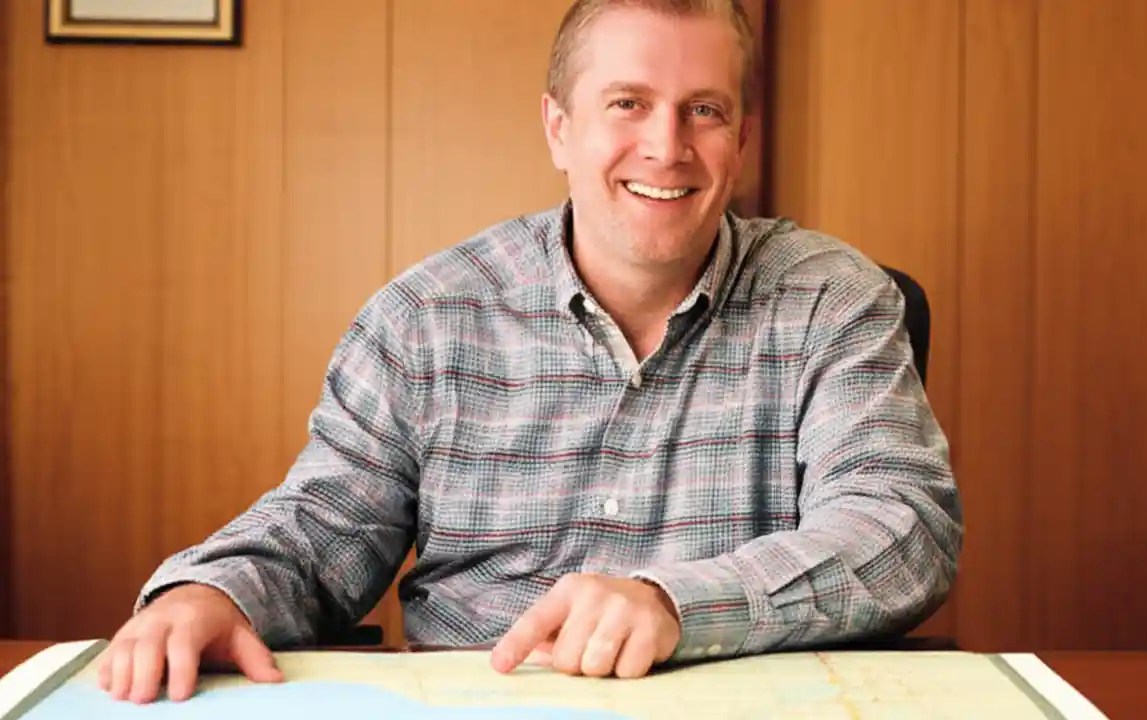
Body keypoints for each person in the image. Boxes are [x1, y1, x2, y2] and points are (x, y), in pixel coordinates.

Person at [97, 0, 962, 705]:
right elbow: (324, 525)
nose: (667, 146)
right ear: (558, 127)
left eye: (705, 110)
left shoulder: (831, 296)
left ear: (741, 138)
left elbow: (901, 529)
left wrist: (675, 603)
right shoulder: (426, 317)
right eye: (627, 103)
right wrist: (211, 592)